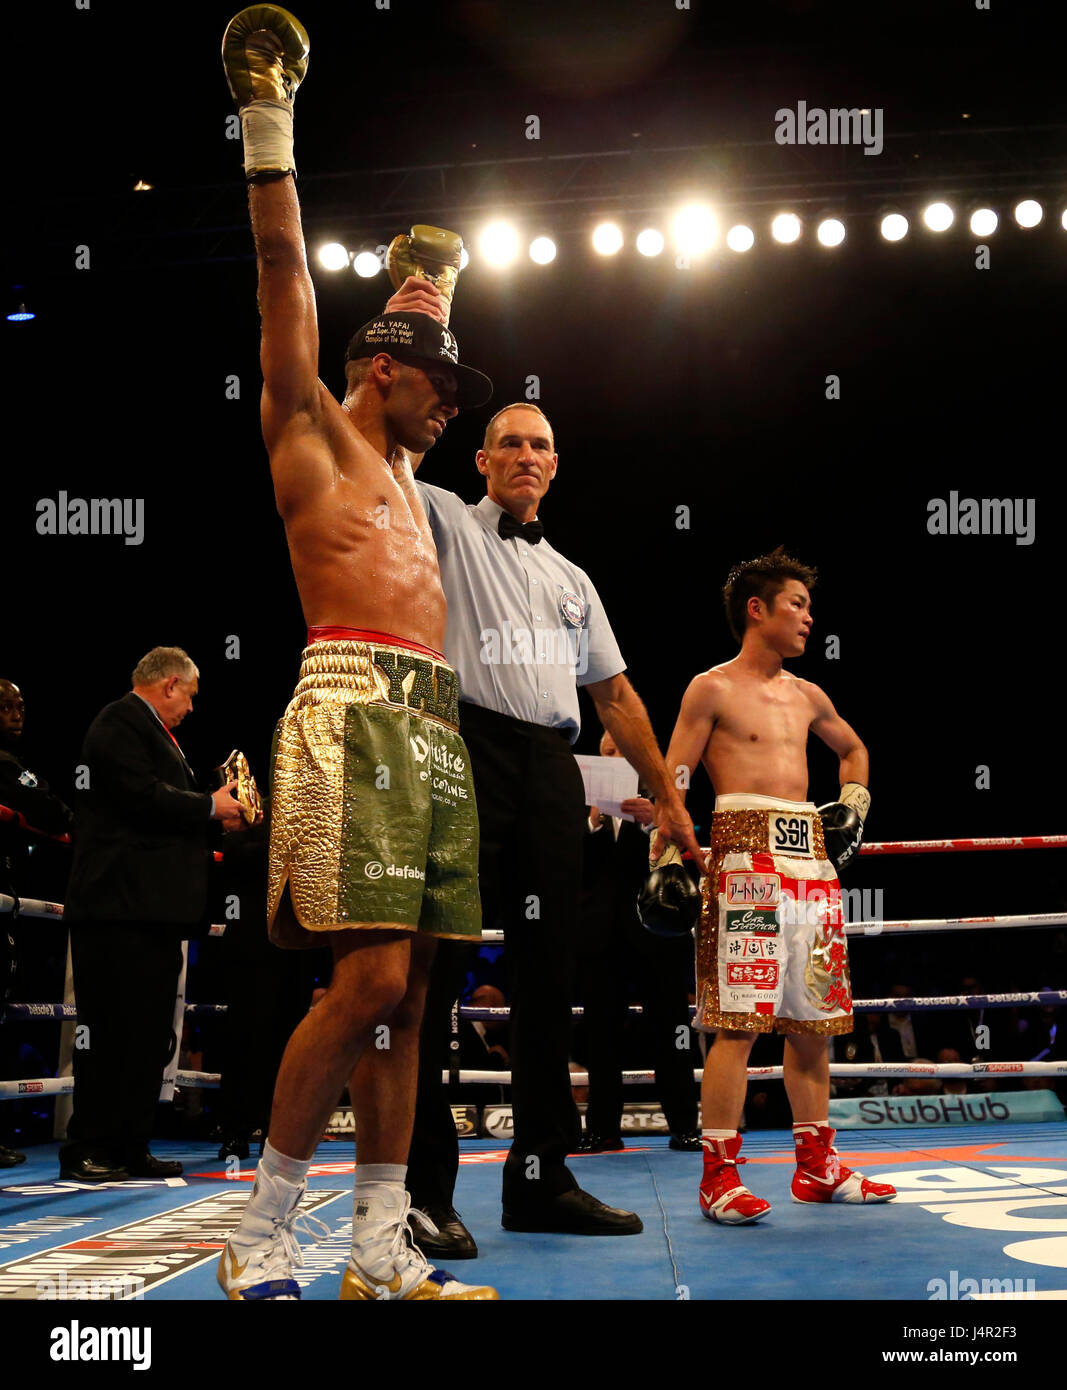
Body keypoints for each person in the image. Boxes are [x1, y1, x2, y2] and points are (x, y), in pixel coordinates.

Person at [217, 6, 497, 1301]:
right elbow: (282, 277)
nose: (456, 403)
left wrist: (430, 267)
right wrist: (266, 120)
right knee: (366, 977)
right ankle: (261, 1229)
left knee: (411, 1000)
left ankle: (375, 1250)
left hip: (431, 727)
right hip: (350, 707)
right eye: (436, 382)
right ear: (378, 370)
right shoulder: (314, 436)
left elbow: (424, 329)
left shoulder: (410, 482)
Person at [384, 275, 705, 1244]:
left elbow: (614, 696)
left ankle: (538, 1181)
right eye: (509, 442)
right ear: (481, 458)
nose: (524, 456)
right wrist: (411, 324)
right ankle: (421, 1193)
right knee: (434, 976)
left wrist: (672, 806)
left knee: (544, 978)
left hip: (550, 770)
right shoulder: (441, 516)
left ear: (556, 467)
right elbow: (382, 445)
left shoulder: (572, 579)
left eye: (539, 445)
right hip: (461, 748)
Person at [661, 547, 895, 1223]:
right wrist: (665, 862)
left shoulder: (809, 695)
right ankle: (718, 1178)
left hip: (811, 869)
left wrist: (851, 802)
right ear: (755, 609)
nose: (808, 618)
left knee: (813, 1027)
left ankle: (817, 1169)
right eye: (796, 604)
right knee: (737, 1027)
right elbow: (674, 779)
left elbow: (853, 750)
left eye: (810, 607)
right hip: (743, 866)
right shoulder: (710, 687)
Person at [59, 647, 247, 1183]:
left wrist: (217, 810)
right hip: (117, 910)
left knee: (146, 1038)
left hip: (154, 914)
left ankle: (130, 1144)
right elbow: (139, 797)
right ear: (169, 684)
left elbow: (166, 806)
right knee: (111, 1031)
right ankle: (89, 1147)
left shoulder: (158, 736)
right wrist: (210, 805)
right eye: (188, 696)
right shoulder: (118, 721)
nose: (190, 708)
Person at [574, 730, 699, 1153]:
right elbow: (558, 862)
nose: (615, 757)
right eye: (609, 750)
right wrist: (590, 821)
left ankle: (684, 1125)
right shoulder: (579, 801)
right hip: (599, 937)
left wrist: (653, 822)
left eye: (623, 751)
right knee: (600, 1035)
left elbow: (692, 854)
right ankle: (603, 1128)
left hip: (657, 935)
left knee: (670, 1029)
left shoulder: (669, 798)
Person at [0, 678, 74, 1166]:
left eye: (21, 704)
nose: (17, 712)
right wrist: (69, 820)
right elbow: (50, 806)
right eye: (6, 705)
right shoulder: (5, 764)